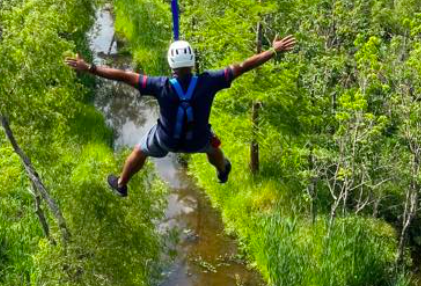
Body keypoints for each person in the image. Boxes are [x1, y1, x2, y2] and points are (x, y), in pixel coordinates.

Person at [65, 35, 297, 197]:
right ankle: (222, 170)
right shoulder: (210, 81)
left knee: (139, 151)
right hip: (198, 139)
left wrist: (90, 68)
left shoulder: (159, 85)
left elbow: (124, 76)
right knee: (212, 146)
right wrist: (273, 50)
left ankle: (122, 184)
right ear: (193, 61)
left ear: (170, 62)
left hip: (166, 140)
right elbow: (244, 66)